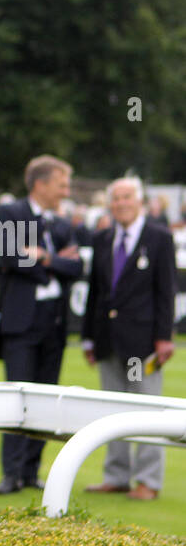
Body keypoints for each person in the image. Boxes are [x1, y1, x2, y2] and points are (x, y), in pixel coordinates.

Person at [0, 155, 85, 495]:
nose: (66, 190)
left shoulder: (62, 222)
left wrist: (45, 258)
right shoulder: (11, 213)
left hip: (54, 323)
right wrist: (50, 266)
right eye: (62, 183)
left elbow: (76, 269)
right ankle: (10, 474)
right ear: (41, 184)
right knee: (17, 398)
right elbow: (9, 256)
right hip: (21, 321)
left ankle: (31, 472)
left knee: (46, 400)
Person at [81, 177, 177, 500]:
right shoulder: (102, 238)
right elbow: (95, 290)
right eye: (115, 198)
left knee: (148, 411)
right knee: (112, 411)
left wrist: (164, 337)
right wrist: (87, 338)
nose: (120, 203)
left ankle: (149, 481)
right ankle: (117, 476)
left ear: (139, 201)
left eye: (126, 197)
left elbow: (166, 291)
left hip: (144, 344)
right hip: (107, 340)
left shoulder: (159, 238)